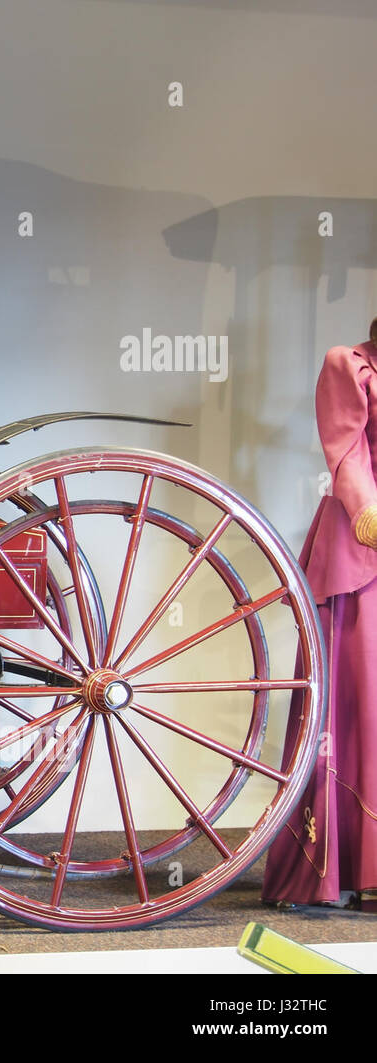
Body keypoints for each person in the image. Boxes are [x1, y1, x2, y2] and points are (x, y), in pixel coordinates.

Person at [262, 316, 377, 908]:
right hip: (364, 552)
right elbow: (347, 455)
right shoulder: (348, 363)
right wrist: (369, 515)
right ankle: (352, 869)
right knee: (358, 704)